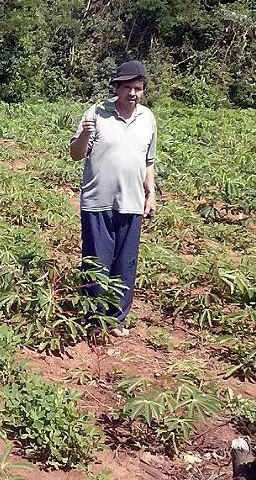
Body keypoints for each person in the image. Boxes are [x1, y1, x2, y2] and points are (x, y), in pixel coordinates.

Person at [69, 60, 157, 332]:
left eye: (138, 88)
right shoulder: (96, 113)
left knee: (125, 265)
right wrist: (85, 133)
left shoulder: (147, 118)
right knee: (96, 261)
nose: (133, 93)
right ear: (117, 88)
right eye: (127, 87)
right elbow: (75, 154)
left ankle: (116, 320)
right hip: (97, 201)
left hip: (131, 202)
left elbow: (149, 161)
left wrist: (150, 194)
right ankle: (93, 319)